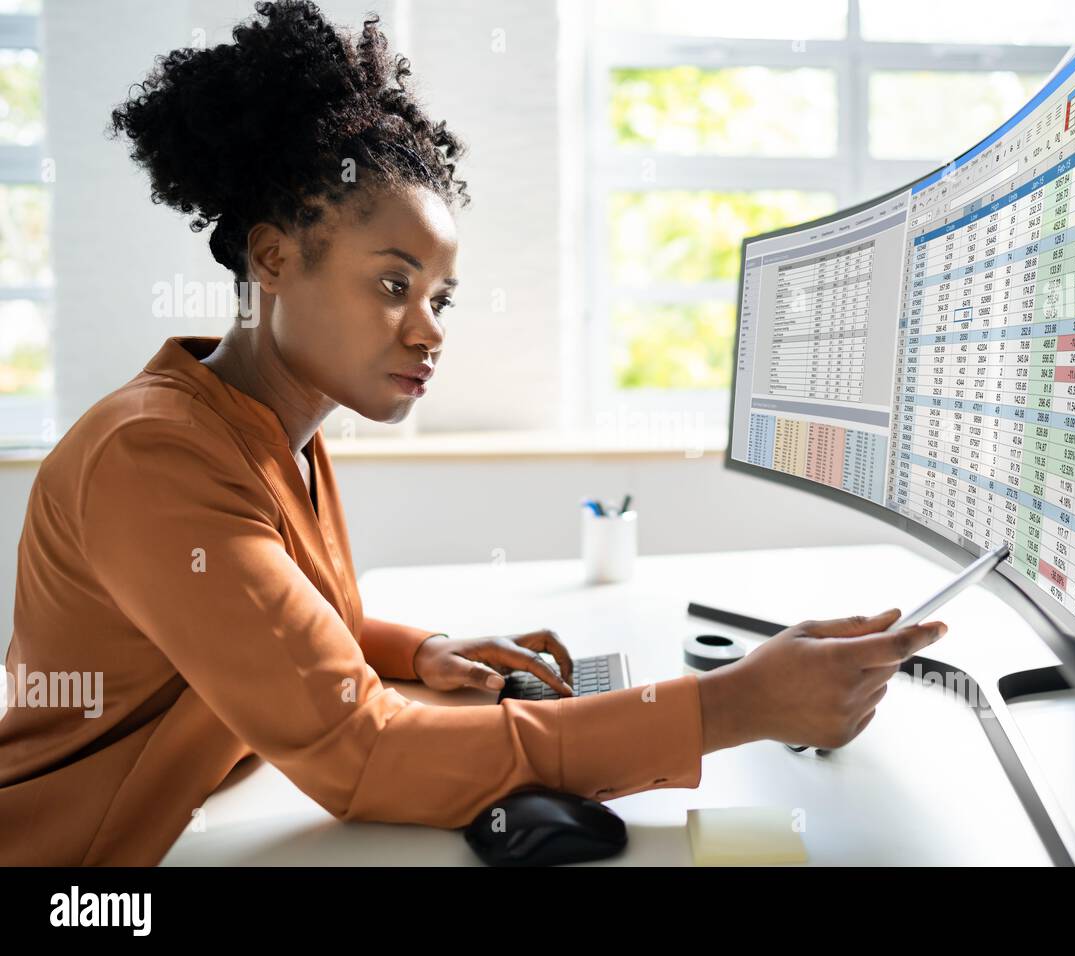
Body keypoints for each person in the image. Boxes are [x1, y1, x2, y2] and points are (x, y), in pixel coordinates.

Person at [0, 0, 946, 866]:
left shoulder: (271, 428)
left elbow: (270, 622)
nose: (429, 329)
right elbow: (358, 752)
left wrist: (419, 652)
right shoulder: (153, 457)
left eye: (440, 298)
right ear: (273, 257)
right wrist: (736, 705)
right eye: (392, 285)